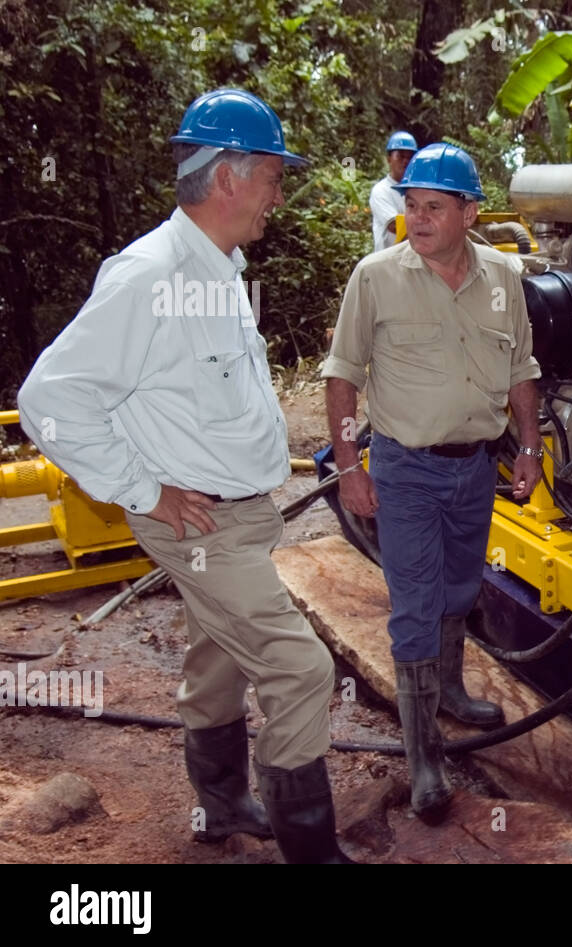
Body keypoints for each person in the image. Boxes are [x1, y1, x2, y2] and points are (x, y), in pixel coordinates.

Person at [17, 88, 353, 864]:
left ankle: (224, 805)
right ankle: (313, 848)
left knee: (220, 652)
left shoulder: (219, 269)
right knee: (301, 669)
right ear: (230, 176)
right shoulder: (149, 274)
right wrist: (144, 489)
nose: (279, 191)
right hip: (196, 523)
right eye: (273, 173)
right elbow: (51, 398)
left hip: (237, 513)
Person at [322, 142, 543, 822]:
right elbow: (341, 375)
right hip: (405, 469)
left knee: (459, 589)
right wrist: (350, 464)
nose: (417, 219)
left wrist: (530, 448)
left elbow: (522, 371)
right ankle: (424, 757)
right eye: (412, 205)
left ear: (470, 214)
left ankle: (449, 691)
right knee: (415, 609)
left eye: (434, 208)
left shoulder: (505, 276)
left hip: (476, 468)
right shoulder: (377, 276)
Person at [369, 131, 418, 252]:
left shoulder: (418, 190)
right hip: (387, 263)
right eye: (400, 156)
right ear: (389, 159)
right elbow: (395, 226)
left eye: (410, 157)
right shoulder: (381, 190)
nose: (406, 161)